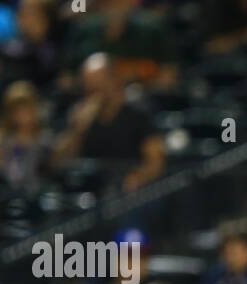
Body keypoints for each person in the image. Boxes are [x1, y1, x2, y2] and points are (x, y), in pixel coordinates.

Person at [51, 53, 165, 194]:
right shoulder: (80, 114)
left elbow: (156, 162)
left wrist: (139, 177)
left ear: (114, 80)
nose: (94, 92)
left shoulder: (138, 112)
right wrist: (77, 129)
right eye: (89, 86)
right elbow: (57, 163)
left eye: (99, 84)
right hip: (91, 188)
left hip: (129, 190)